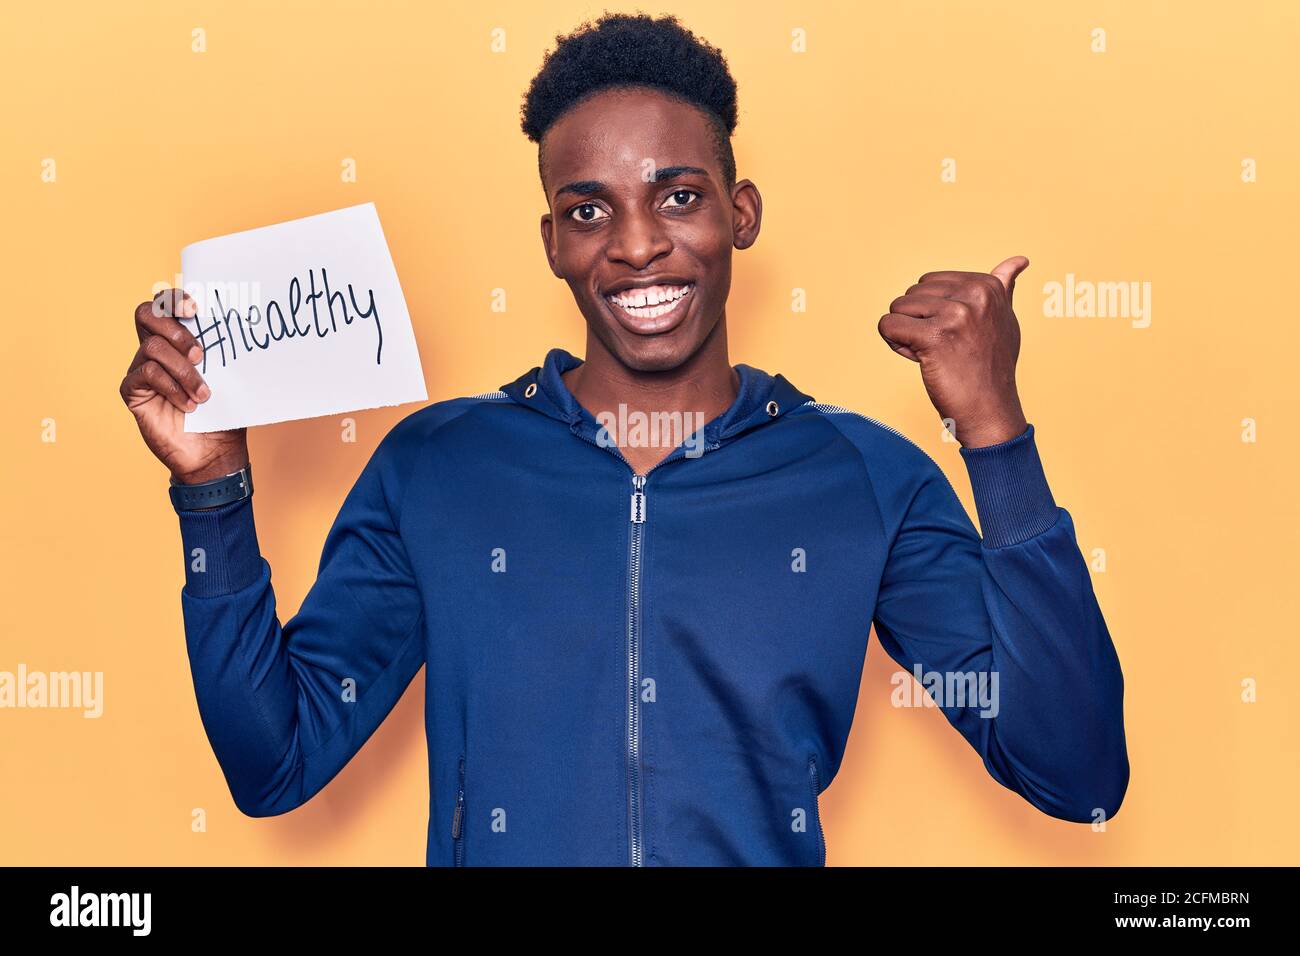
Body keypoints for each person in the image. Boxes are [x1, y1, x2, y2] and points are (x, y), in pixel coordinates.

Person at [119, 12, 1128, 866]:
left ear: (740, 213)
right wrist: (212, 491)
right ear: (553, 241)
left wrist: (994, 430)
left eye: (678, 196)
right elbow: (275, 762)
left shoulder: (863, 478)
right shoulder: (438, 468)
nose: (637, 243)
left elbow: (1075, 770)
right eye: (589, 209)